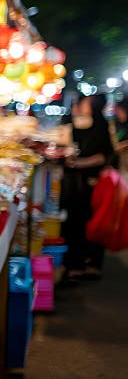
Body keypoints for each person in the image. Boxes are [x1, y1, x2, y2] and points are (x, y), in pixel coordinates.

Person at [61, 93, 113, 280]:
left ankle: (84, 264)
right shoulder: (84, 124)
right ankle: (79, 262)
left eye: (85, 102)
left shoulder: (101, 126)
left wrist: (77, 164)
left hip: (92, 185)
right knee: (78, 223)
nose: (81, 105)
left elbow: (102, 156)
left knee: (86, 223)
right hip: (79, 184)